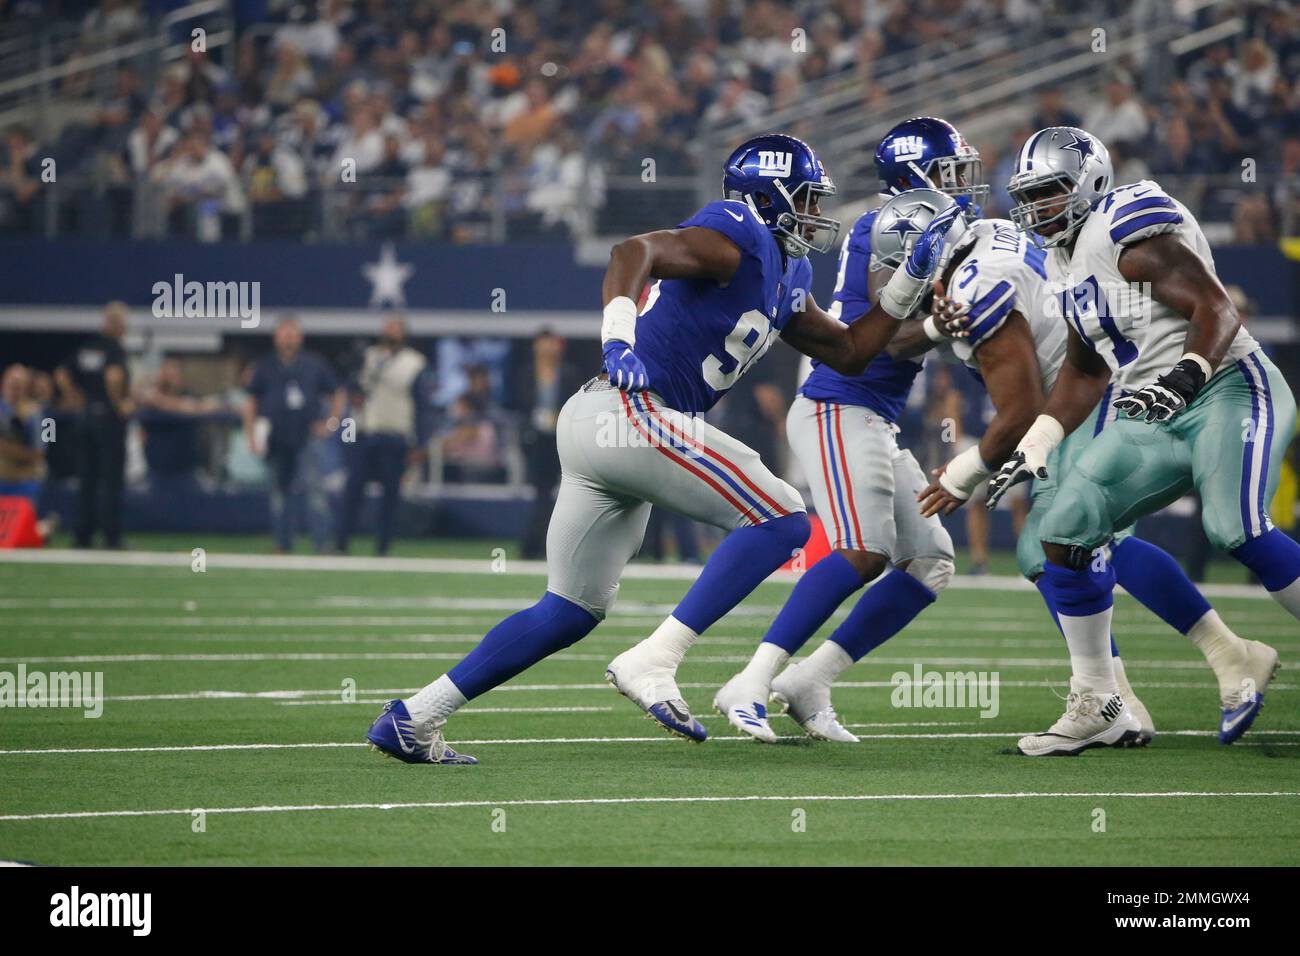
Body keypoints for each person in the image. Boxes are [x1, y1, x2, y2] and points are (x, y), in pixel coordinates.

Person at [365, 133, 963, 764]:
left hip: (603, 426)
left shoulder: (789, 271)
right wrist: (617, 336)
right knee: (782, 515)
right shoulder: (739, 232)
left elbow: (851, 351)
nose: (818, 211)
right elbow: (634, 250)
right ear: (770, 196)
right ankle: (656, 657)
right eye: (808, 197)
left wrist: (908, 284)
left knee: (570, 609)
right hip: (630, 409)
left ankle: (414, 717)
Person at [989, 126, 1297, 755]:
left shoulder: (1122, 229)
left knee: (1234, 526)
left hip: (1227, 386)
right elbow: (1085, 368)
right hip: (1150, 411)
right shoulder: (1062, 260)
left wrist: (1185, 378)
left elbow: (1218, 310)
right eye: (1029, 196)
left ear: (1089, 183)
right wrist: (1041, 439)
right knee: (1065, 527)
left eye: (1049, 192)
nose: (1036, 208)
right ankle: (1101, 702)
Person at [714, 118, 976, 741]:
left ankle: (810, 678)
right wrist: (942, 330)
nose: (963, 181)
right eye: (951, 169)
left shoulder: (935, 224)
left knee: (931, 561)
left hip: (874, 415)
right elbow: (885, 343)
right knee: (864, 550)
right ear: (920, 174)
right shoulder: (894, 224)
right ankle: (750, 681)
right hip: (838, 405)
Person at [243, 316, 344, 554]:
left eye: (292, 333)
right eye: (284, 333)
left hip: (306, 435)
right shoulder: (265, 366)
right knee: (279, 494)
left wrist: (330, 423)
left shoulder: (314, 364)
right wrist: (251, 436)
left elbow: (338, 393)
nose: (288, 338)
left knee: (314, 491)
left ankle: (323, 543)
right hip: (276, 437)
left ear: (300, 337)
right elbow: (250, 402)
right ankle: (282, 543)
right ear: (276, 337)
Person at [336, 318, 427, 555]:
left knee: (390, 495)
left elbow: (422, 405)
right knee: (353, 488)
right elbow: (352, 386)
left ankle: (382, 546)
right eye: (388, 328)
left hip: (395, 434)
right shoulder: (368, 356)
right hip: (365, 430)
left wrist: (421, 441)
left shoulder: (414, 363)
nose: (391, 333)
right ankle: (341, 542)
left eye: (396, 328)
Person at [61, 302, 133, 549]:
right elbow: (113, 376)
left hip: (85, 418)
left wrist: (77, 400)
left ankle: (83, 535)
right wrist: (120, 404)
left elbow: (62, 374)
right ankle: (111, 536)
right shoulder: (113, 349)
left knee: (87, 478)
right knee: (111, 479)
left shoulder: (88, 347)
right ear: (118, 324)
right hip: (107, 420)